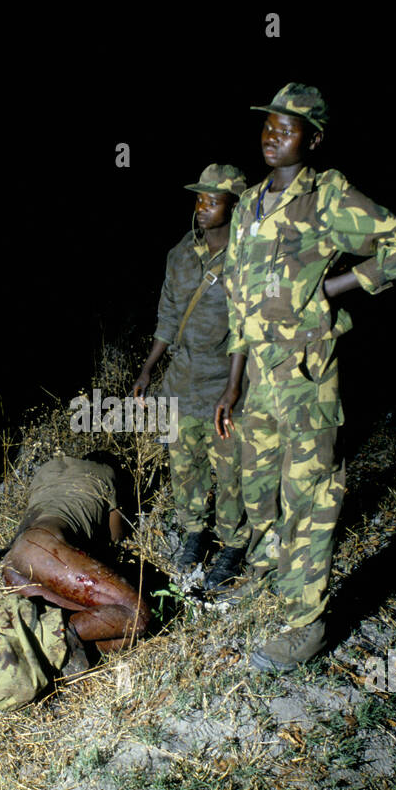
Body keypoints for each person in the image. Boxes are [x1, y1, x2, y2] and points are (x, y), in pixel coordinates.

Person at [215, 83, 396, 673]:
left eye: (287, 130)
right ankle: (266, 573)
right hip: (257, 375)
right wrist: (233, 381)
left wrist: (330, 291)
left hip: (307, 374)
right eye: (267, 126)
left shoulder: (327, 196)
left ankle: (304, 626)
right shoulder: (250, 203)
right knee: (259, 487)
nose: (271, 137)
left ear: (312, 139)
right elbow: (241, 301)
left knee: (309, 496)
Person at [133, 164, 250, 590]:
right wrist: (148, 369)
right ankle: (195, 533)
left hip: (225, 382)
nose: (201, 207)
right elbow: (168, 316)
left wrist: (235, 387)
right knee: (185, 466)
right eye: (198, 199)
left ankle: (235, 543)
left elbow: (249, 328)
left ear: (235, 207)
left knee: (230, 469)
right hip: (181, 380)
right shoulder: (181, 253)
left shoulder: (249, 257)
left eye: (212, 200)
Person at [1, 455, 150, 657]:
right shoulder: (106, 472)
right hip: (46, 550)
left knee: (120, 631)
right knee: (137, 615)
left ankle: (57, 649)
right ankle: (53, 641)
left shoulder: (46, 470)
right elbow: (117, 537)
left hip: (14, 564)